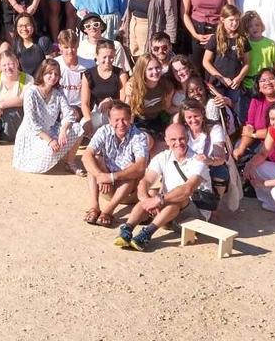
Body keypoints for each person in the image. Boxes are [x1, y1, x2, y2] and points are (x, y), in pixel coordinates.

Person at [117, 123, 207, 251]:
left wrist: (159, 200)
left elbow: (188, 189)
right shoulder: (163, 157)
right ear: (166, 141)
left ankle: (146, 233)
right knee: (152, 194)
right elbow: (146, 180)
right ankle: (127, 229)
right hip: (166, 215)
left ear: (187, 138)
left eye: (182, 138)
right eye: (173, 140)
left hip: (195, 217)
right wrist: (146, 200)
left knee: (179, 198)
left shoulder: (198, 160)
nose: (178, 143)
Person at [80, 102, 152, 227]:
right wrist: (100, 175)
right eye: (116, 120)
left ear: (130, 119)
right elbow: (86, 155)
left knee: (131, 168)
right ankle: (94, 207)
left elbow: (140, 166)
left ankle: (108, 211)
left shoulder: (139, 136)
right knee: (93, 160)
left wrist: (112, 177)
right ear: (109, 120)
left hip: (128, 191)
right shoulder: (104, 131)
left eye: (124, 119)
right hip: (105, 186)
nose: (120, 124)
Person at [13, 59, 80, 174]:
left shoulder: (58, 92)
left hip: (50, 130)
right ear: (42, 73)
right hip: (33, 135)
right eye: (49, 73)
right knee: (51, 149)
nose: (53, 77)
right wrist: (50, 140)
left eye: (56, 74)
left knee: (78, 128)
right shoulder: (31, 92)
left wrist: (63, 129)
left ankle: (70, 163)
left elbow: (69, 113)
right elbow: (31, 123)